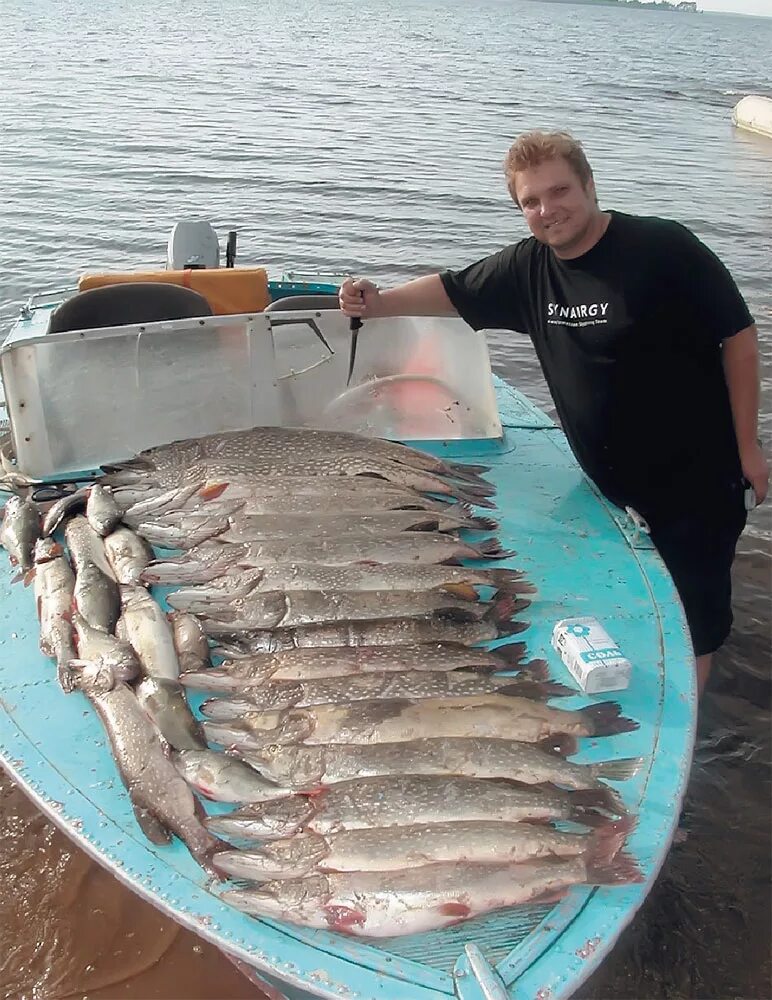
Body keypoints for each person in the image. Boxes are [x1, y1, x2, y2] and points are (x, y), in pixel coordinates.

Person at [339, 130, 768, 696]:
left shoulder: (664, 250)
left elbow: (738, 338)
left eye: (559, 191)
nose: (548, 210)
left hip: (696, 484)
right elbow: (452, 290)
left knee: (695, 630)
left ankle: (684, 728)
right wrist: (378, 302)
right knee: (634, 607)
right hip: (609, 487)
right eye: (531, 202)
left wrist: (749, 448)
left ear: (589, 185)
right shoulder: (528, 269)